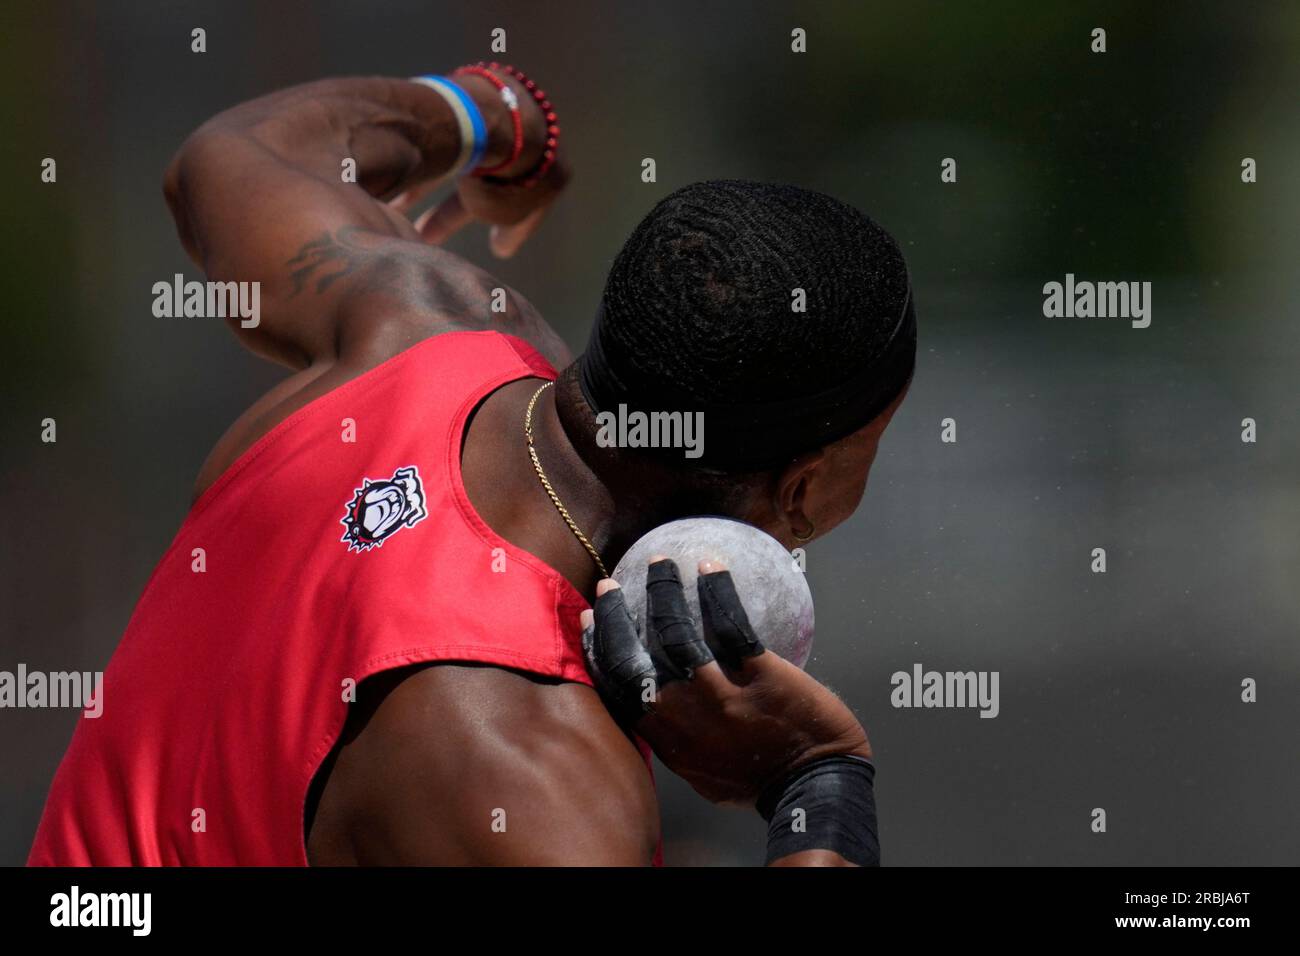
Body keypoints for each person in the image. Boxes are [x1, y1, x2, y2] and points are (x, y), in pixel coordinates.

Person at [27, 61, 913, 866]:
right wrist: (816, 785)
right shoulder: (534, 778)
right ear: (801, 487)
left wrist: (489, 115)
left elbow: (227, 159)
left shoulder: (419, 326)